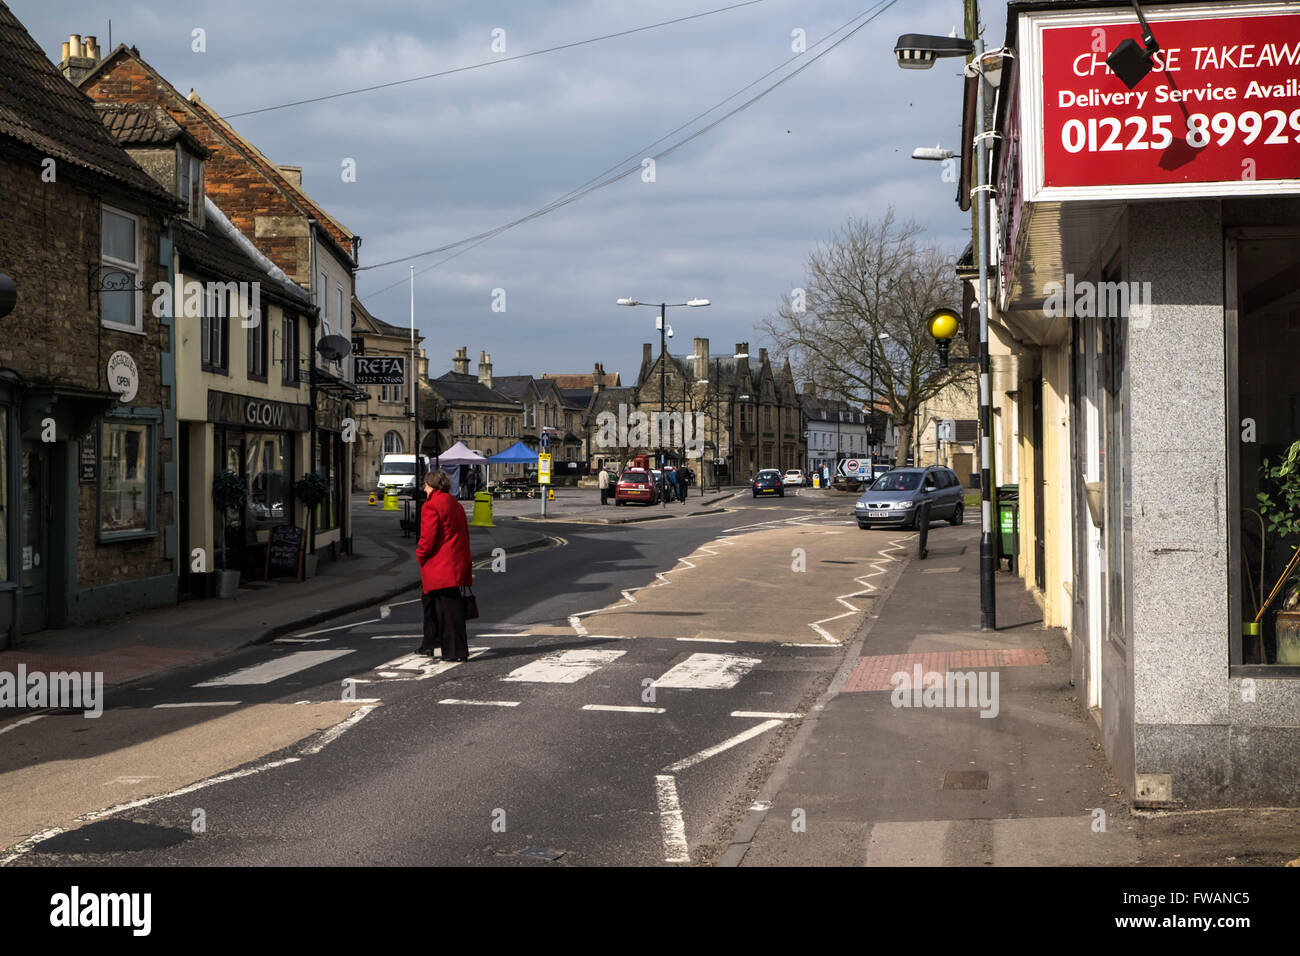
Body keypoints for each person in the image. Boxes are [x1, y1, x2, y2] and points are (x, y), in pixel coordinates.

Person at [417, 469, 473, 662]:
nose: (424, 489)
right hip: (455, 562)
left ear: (432, 486)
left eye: (425, 485)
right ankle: (429, 643)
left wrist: (420, 555)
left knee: (449, 611)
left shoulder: (431, 506)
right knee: (430, 603)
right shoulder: (455, 504)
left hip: (440, 565)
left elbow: (428, 538)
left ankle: (456, 651)